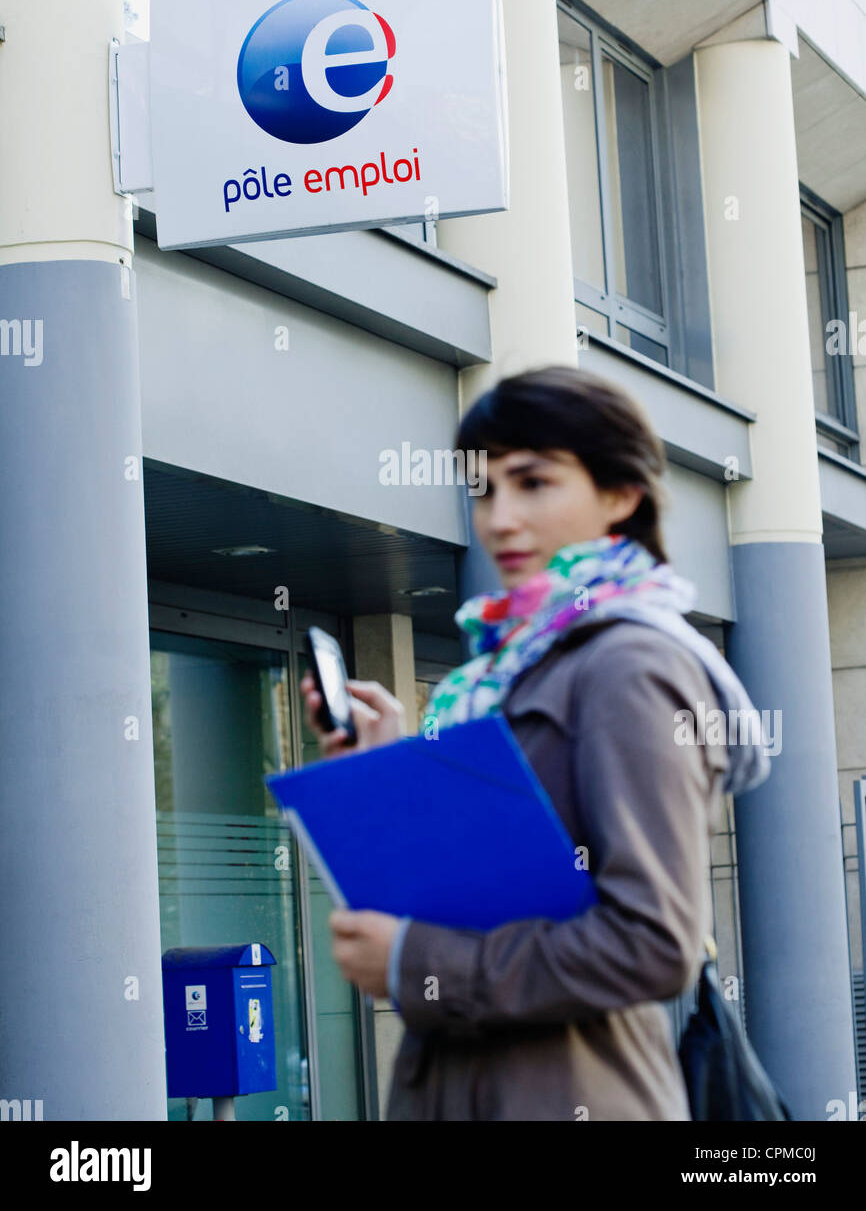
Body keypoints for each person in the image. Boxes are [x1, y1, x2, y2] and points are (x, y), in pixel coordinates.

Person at [300, 365, 770, 1121]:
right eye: (484, 490)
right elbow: (482, 898)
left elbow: (653, 942)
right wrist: (385, 779)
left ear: (621, 494)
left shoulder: (630, 665)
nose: (500, 519)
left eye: (533, 483)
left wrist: (411, 963)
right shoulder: (514, 664)